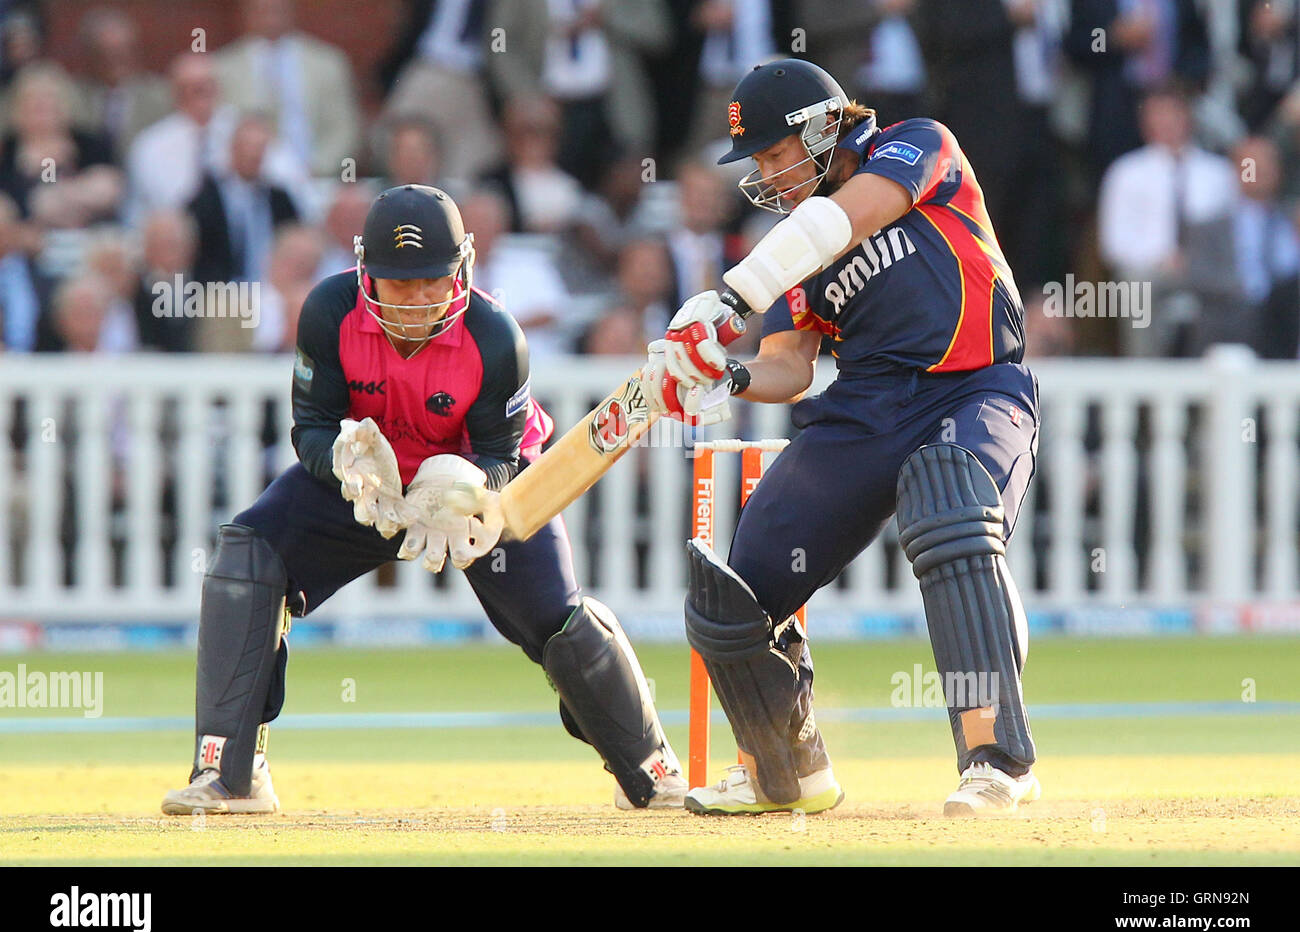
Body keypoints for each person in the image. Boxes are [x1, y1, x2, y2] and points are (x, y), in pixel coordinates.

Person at [161, 184, 686, 815]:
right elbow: (311, 428)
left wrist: (463, 488)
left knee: (557, 620)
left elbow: (500, 453)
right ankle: (228, 775)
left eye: (431, 282)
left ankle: (653, 772)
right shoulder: (329, 311)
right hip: (366, 490)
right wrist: (344, 468)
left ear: (460, 270)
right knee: (247, 559)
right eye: (397, 283)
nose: (414, 302)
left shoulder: (495, 336)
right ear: (366, 274)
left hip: (476, 495)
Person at [640, 59, 1042, 817]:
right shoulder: (790, 252)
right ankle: (784, 768)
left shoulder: (919, 146)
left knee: (948, 511)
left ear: (822, 129)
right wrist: (717, 374)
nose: (763, 176)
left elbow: (852, 215)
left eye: (770, 155)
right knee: (735, 595)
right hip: (865, 410)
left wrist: (732, 294)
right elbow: (787, 366)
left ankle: (996, 761)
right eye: (753, 162)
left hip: (974, 385)